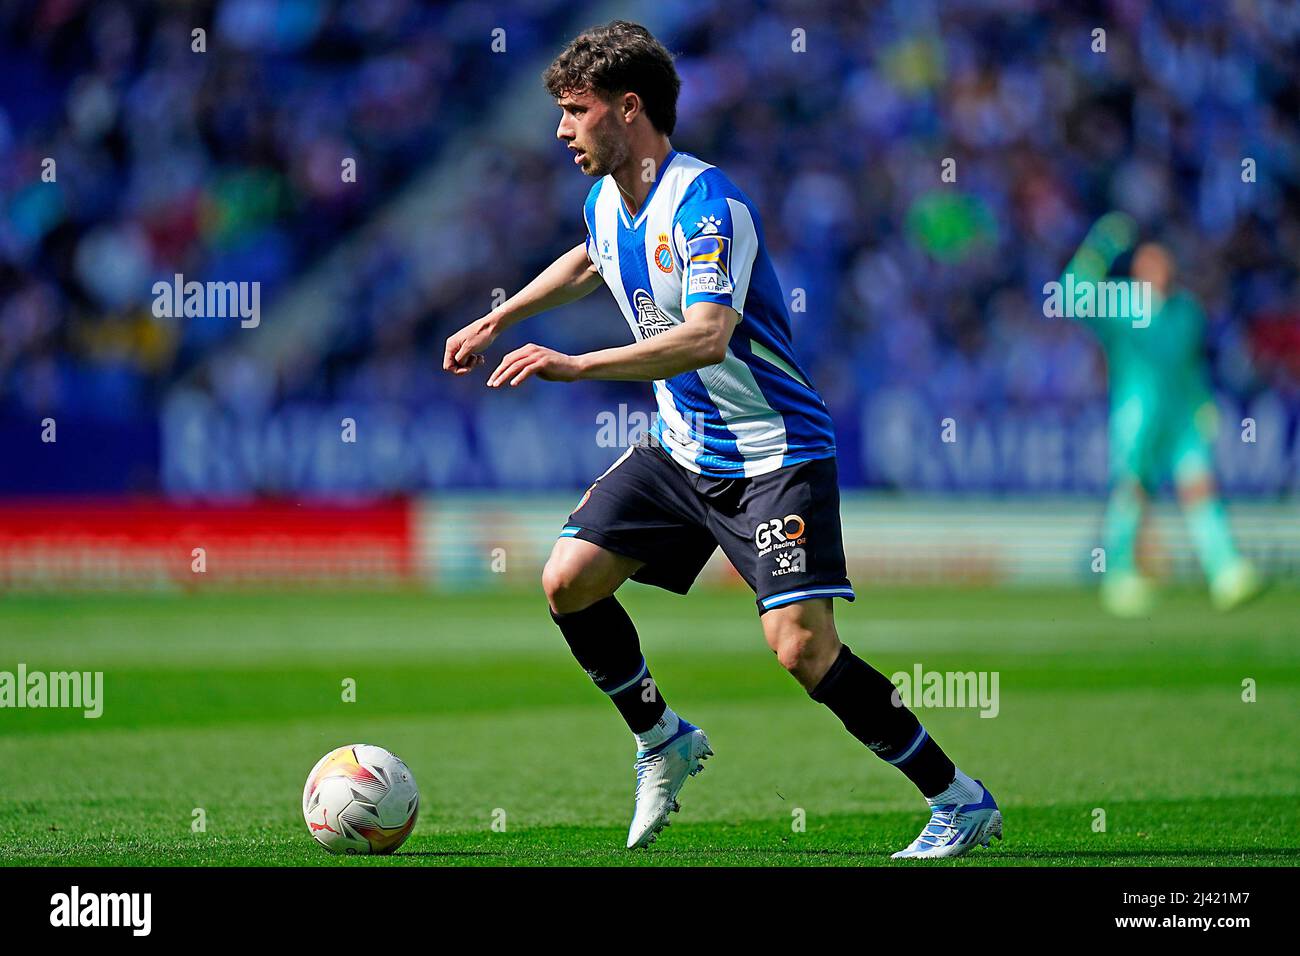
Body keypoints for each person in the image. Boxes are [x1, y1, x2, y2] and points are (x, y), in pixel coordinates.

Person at [444, 20, 1001, 858]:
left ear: (627, 110)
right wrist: (500, 315)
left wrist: (577, 363)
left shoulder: (710, 206)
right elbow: (589, 260)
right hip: (681, 450)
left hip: (774, 453)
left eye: (574, 110)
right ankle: (662, 735)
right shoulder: (606, 199)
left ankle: (958, 799)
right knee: (568, 580)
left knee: (803, 651)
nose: (562, 130)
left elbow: (706, 336)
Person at [1061, 212, 1264, 616]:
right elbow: (1069, 296)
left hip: (1181, 418)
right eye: (1150, 263)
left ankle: (1224, 570)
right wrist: (1099, 246)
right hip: (1137, 417)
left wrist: (1203, 404)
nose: (1159, 271)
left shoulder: (1186, 310)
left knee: (1200, 490)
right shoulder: (1119, 304)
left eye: (1164, 263)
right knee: (1132, 493)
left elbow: (1192, 367)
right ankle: (1118, 574)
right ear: (1137, 268)